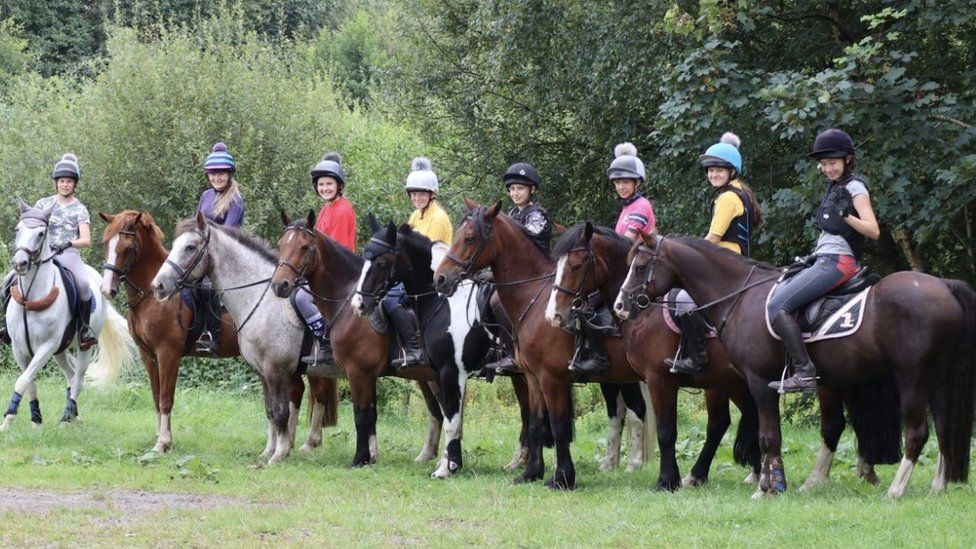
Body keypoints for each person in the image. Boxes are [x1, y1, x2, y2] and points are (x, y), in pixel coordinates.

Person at [767, 129, 880, 393]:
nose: (827, 168)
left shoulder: (855, 187)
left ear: (847, 160)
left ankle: (805, 373)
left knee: (777, 306)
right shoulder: (835, 187)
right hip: (822, 257)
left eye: (833, 162)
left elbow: (873, 231)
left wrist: (847, 216)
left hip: (838, 261)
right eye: (824, 164)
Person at [666, 132, 762, 375]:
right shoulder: (742, 192)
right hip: (738, 261)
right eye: (710, 170)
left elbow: (711, 240)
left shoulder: (728, 198)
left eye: (719, 170)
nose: (713, 174)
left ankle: (697, 356)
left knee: (680, 298)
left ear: (732, 171)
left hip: (723, 263)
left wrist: (683, 255)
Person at [571, 143, 655, 375]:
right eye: (618, 183)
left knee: (590, 303)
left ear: (637, 183)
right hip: (626, 267)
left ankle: (600, 357)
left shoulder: (641, 206)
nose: (621, 187)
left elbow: (624, 243)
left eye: (626, 182)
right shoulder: (627, 209)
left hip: (636, 270)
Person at [0, 153, 97, 349]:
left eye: (69, 181)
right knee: (7, 281)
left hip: (67, 254)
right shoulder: (43, 204)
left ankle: (84, 330)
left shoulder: (80, 209)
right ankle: (6, 326)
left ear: (74, 184)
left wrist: (69, 244)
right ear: (56, 183)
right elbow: (31, 227)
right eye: (62, 181)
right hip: (40, 254)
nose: (65, 185)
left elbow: (86, 240)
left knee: (84, 286)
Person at [382, 157, 453, 369]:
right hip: (416, 275)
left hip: (432, 276)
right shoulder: (415, 215)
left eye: (421, 193)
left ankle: (414, 347)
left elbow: (424, 257)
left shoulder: (438, 218)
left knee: (390, 301)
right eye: (413, 193)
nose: (417, 197)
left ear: (432, 194)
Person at [484, 162, 553, 374]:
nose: (515, 193)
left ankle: (512, 353)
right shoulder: (511, 214)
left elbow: (523, 245)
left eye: (520, 188)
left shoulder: (537, 215)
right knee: (482, 292)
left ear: (532, 189)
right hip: (516, 276)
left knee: (497, 300)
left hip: (538, 274)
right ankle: (497, 345)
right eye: (512, 189)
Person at [297, 153, 356, 365]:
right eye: (321, 184)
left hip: (338, 274)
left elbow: (335, 252)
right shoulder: (325, 209)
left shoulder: (342, 210)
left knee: (302, 298)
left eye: (329, 184)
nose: (324, 188)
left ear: (338, 185)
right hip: (326, 270)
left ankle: (326, 343)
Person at [193, 142, 245, 354]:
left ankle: (212, 335)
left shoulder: (235, 199)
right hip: (204, 253)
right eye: (213, 174)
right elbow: (197, 224)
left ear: (229, 174)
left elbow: (227, 234)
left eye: (221, 173)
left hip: (225, 256)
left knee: (206, 287)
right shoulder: (206, 195)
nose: (216, 178)